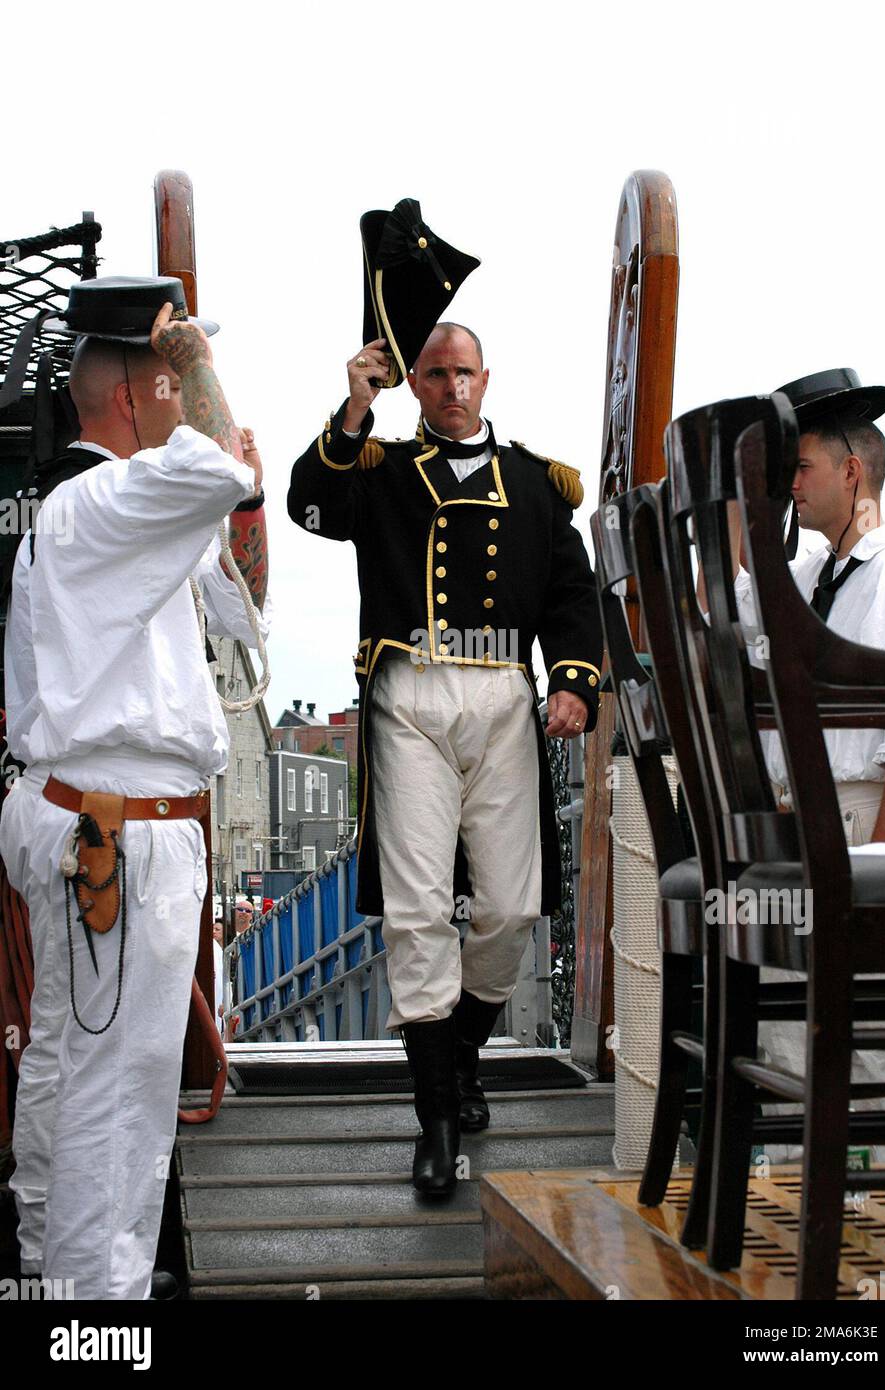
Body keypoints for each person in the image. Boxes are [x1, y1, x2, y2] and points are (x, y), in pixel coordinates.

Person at [0, 276, 269, 1299]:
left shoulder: (97, 511)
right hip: (117, 831)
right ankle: (92, 1313)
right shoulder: (106, 499)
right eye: (169, 380)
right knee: (119, 1104)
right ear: (137, 396)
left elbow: (244, 605)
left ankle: (48, 1274)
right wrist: (196, 359)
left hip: (91, 819)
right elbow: (221, 471)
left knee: (75, 1076)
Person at [287, 322, 602, 1195]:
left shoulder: (540, 485)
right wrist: (354, 408)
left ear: (486, 379)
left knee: (509, 906)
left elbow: (573, 592)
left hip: (503, 694)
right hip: (411, 694)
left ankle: (460, 1052)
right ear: (414, 384)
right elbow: (307, 505)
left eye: (464, 373)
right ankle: (433, 1117)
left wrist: (573, 679)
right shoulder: (379, 471)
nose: (452, 388)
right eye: (435, 375)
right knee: (419, 911)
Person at [729, 369, 885, 1164]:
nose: (791, 486)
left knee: (873, 1030)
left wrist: (878, 868)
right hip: (798, 822)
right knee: (785, 1034)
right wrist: (760, 507)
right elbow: (740, 617)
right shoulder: (815, 572)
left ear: (852, 473)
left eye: (800, 469)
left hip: (856, 824)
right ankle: (796, 1207)